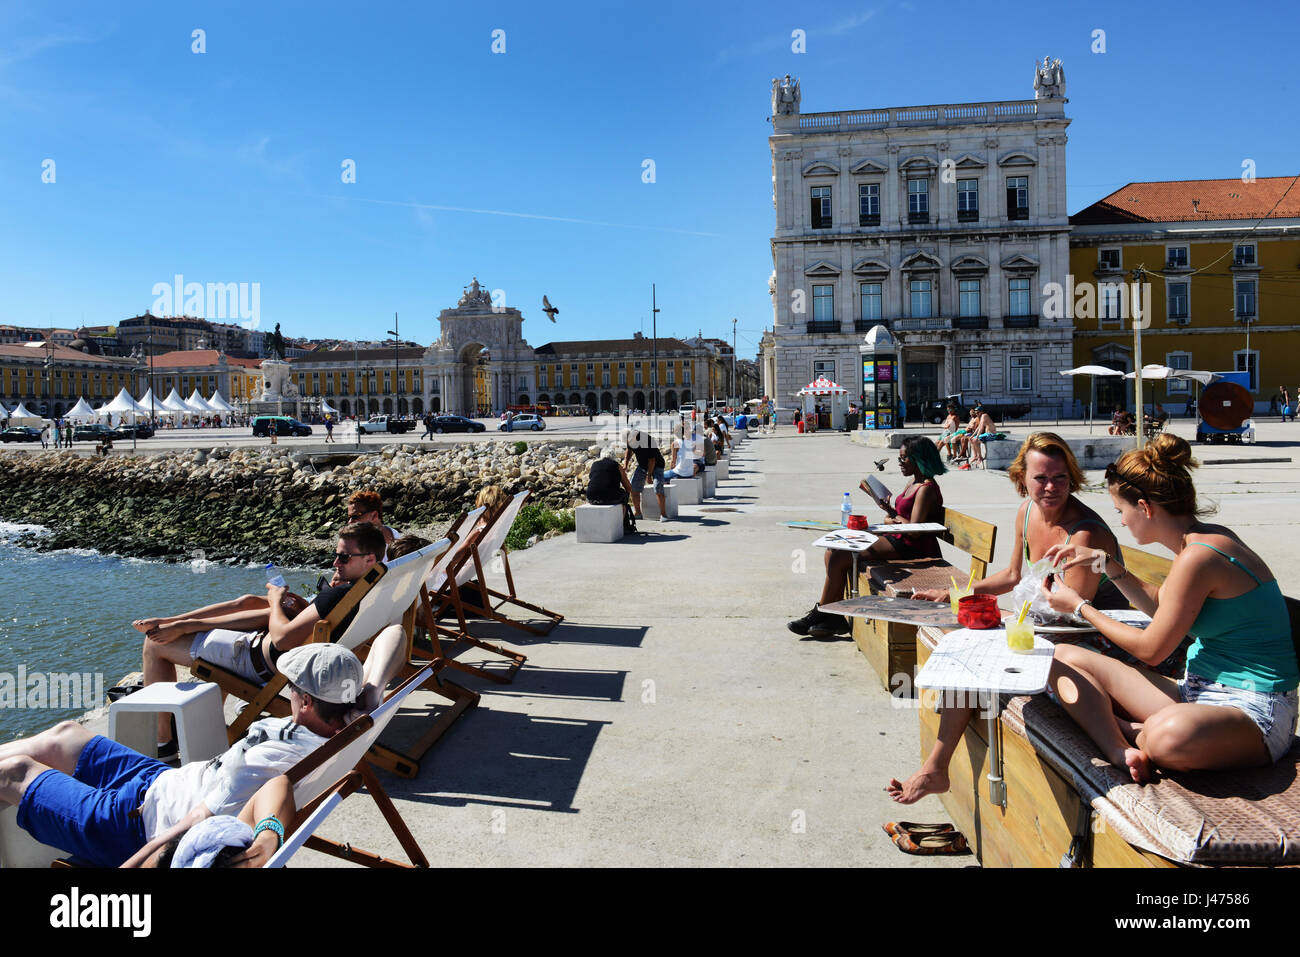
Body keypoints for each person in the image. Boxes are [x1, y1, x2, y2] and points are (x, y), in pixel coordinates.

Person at [888, 432, 1153, 805]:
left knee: (978, 648)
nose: (1050, 487)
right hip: (1053, 628)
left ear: (1072, 478)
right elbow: (1013, 576)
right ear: (1021, 479)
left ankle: (936, 767)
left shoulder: (1086, 533)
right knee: (968, 646)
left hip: (1095, 637)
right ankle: (937, 768)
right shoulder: (1027, 511)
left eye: (1060, 478)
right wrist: (958, 594)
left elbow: (1070, 616)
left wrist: (1002, 618)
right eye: (1040, 478)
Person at [1041, 434, 1298, 784]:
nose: (1122, 522)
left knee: (1167, 737)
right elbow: (1162, 604)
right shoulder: (1200, 541)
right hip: (1198, 692)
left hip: (1254, 712)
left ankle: (1127, 729)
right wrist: (1107, 564)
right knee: (1060, 657)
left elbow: (1153, 649)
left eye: (1122, 511)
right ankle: (1121, 748)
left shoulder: (1200, 555)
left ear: (1145, 507)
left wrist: (1081, 606)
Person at [0, 644, 361, 868]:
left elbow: (188, 824)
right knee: (66, 733)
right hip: (158, 780)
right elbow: (389, 641)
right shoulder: (346, 725)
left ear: (308, 702)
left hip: (132, 826)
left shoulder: (263, 765)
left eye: (294, 687)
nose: (289, 690)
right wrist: (367, 698)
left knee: (14, 772)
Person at [136, 522, 386, 752]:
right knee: (247, 603)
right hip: (277, 651)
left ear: (369, 559)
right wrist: (297, 608)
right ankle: (175, 622)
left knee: (154, 643)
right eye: (336, 555)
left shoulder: (339, 594)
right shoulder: (372, 589)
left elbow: (282, 640)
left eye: (343, 557)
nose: (335, 563)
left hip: (259, 661)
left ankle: (163, 740)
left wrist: (277, 602)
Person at [789, 435, 947, 639]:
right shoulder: (913, 482)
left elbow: (915, 530)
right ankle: (832, 615)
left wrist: (893, 518)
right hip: (898, 538)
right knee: (832, 552)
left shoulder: (925, 488)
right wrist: (890, 510)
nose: (899, 463)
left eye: (903, 458)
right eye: (899, 458)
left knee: (840, 556)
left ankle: (824, 614)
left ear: (919, 459)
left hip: (912, 547)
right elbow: (905, 519)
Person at [623, 428, 668, 521]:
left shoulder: (646, 440)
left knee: (657, 487)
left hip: (657, 465)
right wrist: (625, 464)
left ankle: (663, 515)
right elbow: (629, 450)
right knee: (633, 487)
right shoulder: (629, 438)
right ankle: (638, 513)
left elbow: (652, 460)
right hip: (642, 465)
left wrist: (649, 475)